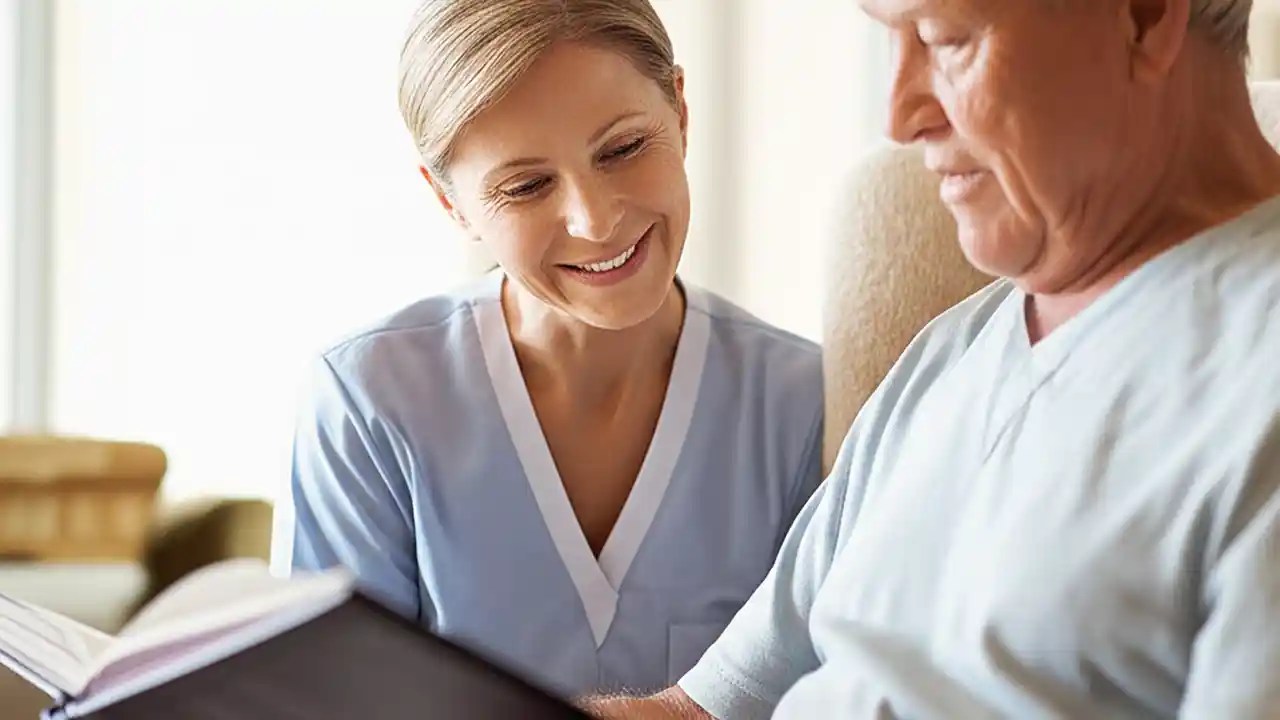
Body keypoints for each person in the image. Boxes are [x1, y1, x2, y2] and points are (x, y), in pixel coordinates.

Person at [585, 0, 1280, 717]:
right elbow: (700, 710)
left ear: (1144, 16)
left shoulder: (1254, 383)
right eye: (892, 40)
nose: (899, 115)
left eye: (947, 41)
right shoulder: (956, 350)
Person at [269, 0, 825, 700]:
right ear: (452, 206)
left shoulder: (810, 407)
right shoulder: (367, 405)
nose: (595, 221)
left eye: (623, 148)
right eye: (526, 186)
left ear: (680, 113)